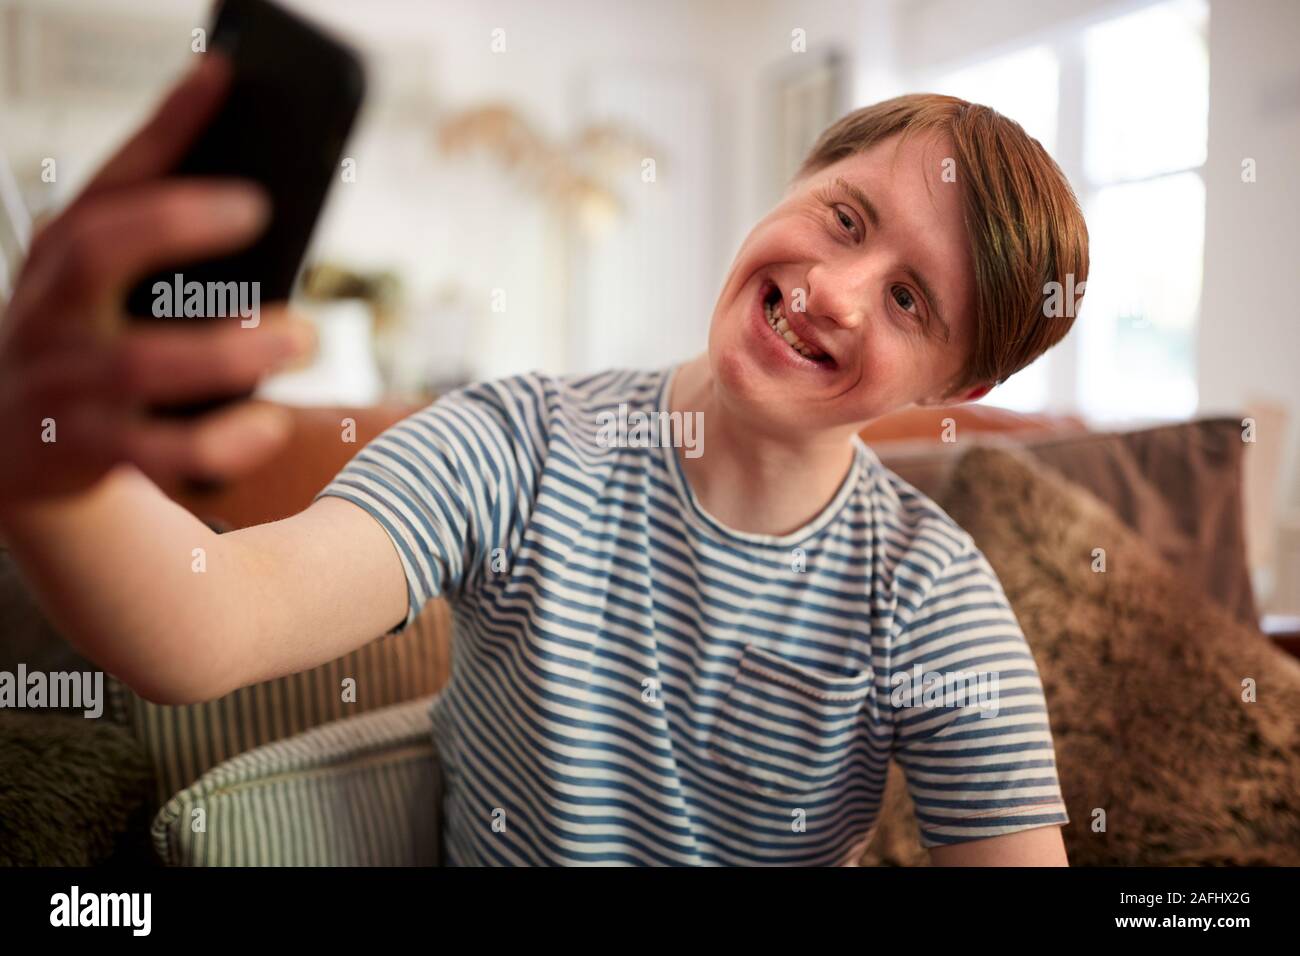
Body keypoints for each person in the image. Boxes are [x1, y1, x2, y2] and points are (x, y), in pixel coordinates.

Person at [0, 53, 1087, 866]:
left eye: (908, 299)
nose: (835, 291)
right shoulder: (514, 444)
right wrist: (44, 459)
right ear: (796, 179)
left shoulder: (930, 594)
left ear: (954, 388)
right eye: (844, 218)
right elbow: (210, 624)